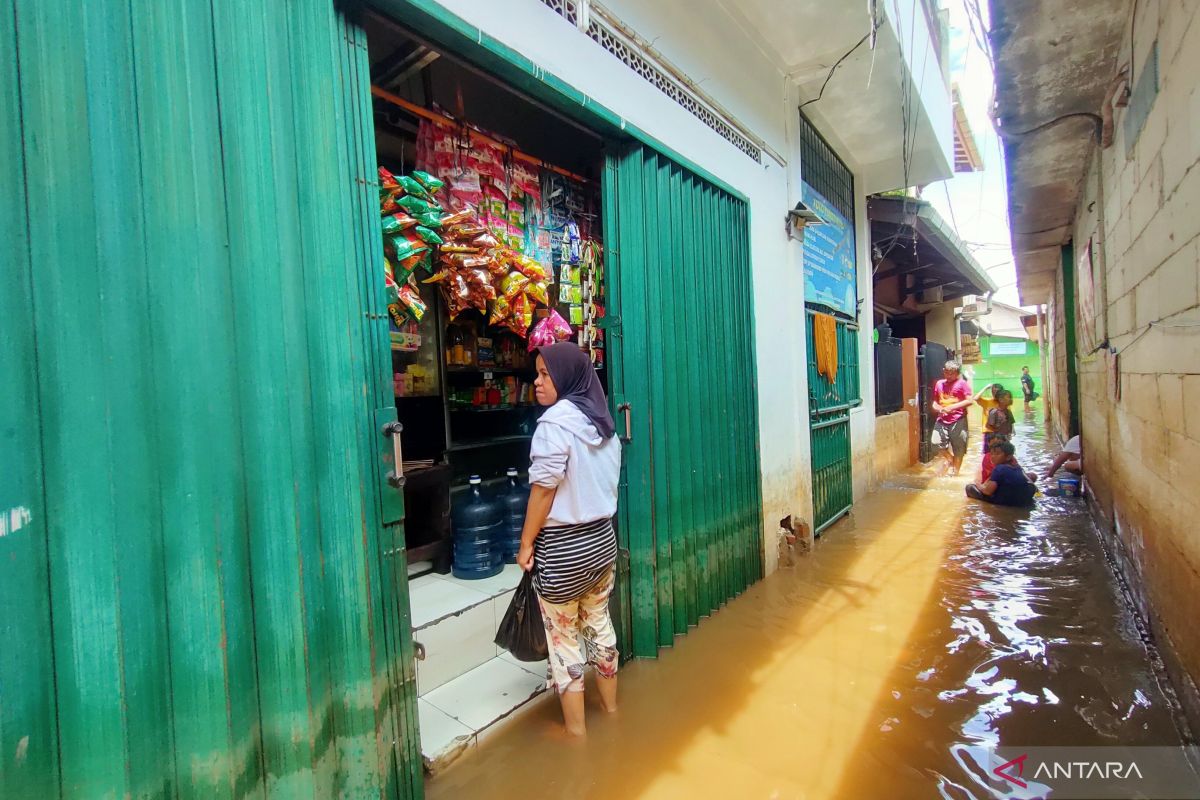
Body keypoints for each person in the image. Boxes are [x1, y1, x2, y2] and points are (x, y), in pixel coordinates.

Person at [517, 342, 622, 736]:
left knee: (564, 643)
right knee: (600, 626)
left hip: (563, 551)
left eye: (546, 374)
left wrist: (526, 544)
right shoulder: (604, 424)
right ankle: (612, 712)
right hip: (603, 545)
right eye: (538, 374)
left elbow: (543, 491)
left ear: (566, 378)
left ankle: (578, 738)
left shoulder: (554, 425)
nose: (537, 381)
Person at [932, 360, 973, 475]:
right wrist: (939, 409)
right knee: (935, 442)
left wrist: (952, 407)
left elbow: (970, 400)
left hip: (958, 420)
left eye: (952, 373)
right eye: (947, 373)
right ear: (943, 371)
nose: (949, 376)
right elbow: (935, 402)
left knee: (959, 448)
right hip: (942, 419)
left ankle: (955, 473)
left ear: (958, 373)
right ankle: (950, 459)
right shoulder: (939, 384)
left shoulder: (962, 384)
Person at [966, 440, 1036, 506]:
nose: (993, 457)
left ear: (1008, 457)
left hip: (1005, 503)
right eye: (991, 454)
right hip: (1023, 502)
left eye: (997, 454)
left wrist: (978, 486)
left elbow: (988, 491)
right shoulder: (1018, 467)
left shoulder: (999, 469)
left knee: (969, 487)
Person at [974, 382, 1003, 449]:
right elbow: (976, 398)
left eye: (997, 392)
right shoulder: (987, 402)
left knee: (1001, 452)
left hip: (1001, 432)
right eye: (993, 391)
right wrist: (986, 388)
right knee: (987, 452)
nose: (995, 394)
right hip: (988, 432)